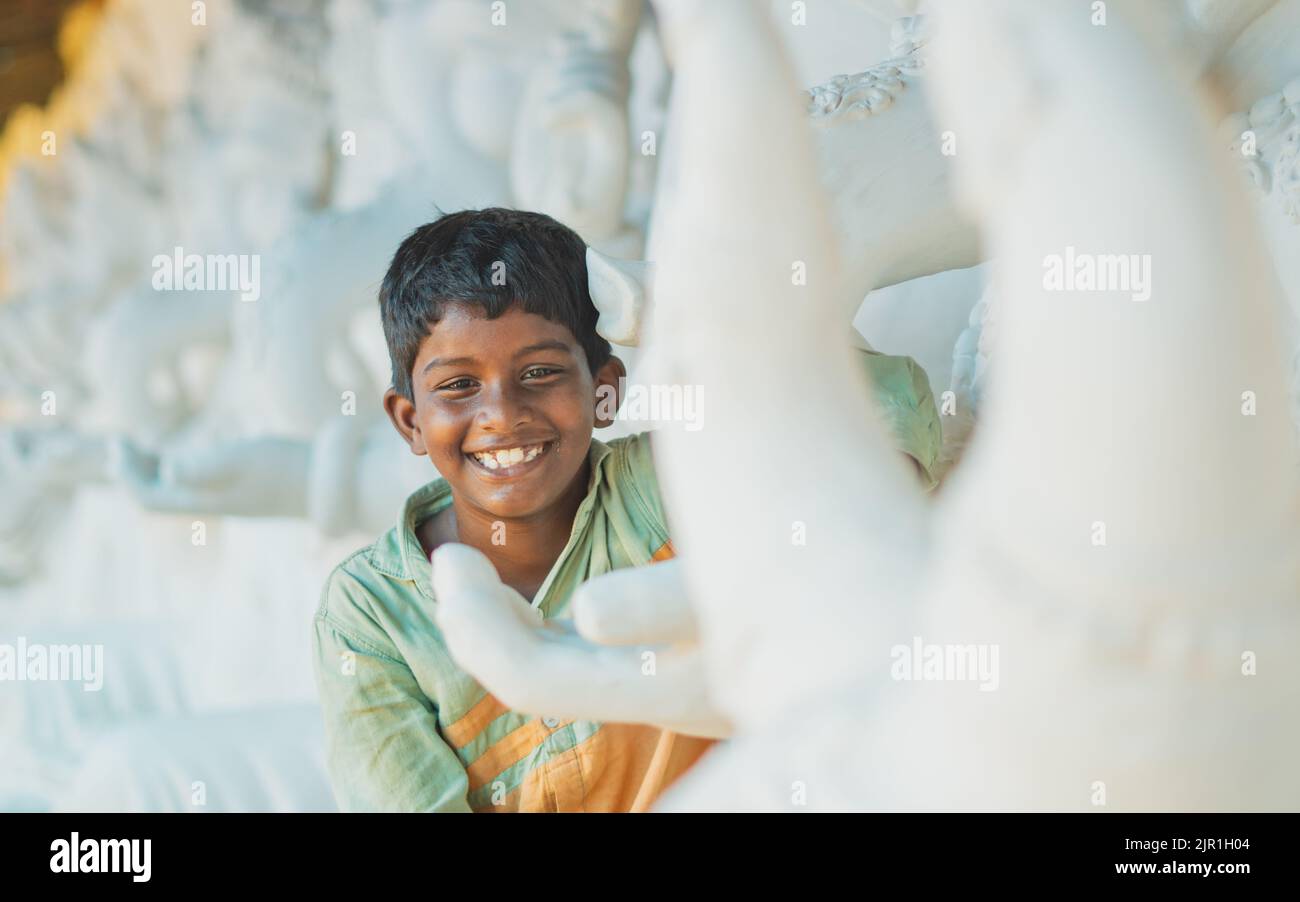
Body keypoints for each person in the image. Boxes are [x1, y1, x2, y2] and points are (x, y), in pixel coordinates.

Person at [310, 207, 939, 811]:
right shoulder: (370, 614)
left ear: (605, 390)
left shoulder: (670, 482)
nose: (501, 414)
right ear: (410, 421)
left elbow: (869, 395)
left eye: (540, 372)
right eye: (458, 386)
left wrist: (670, 308)